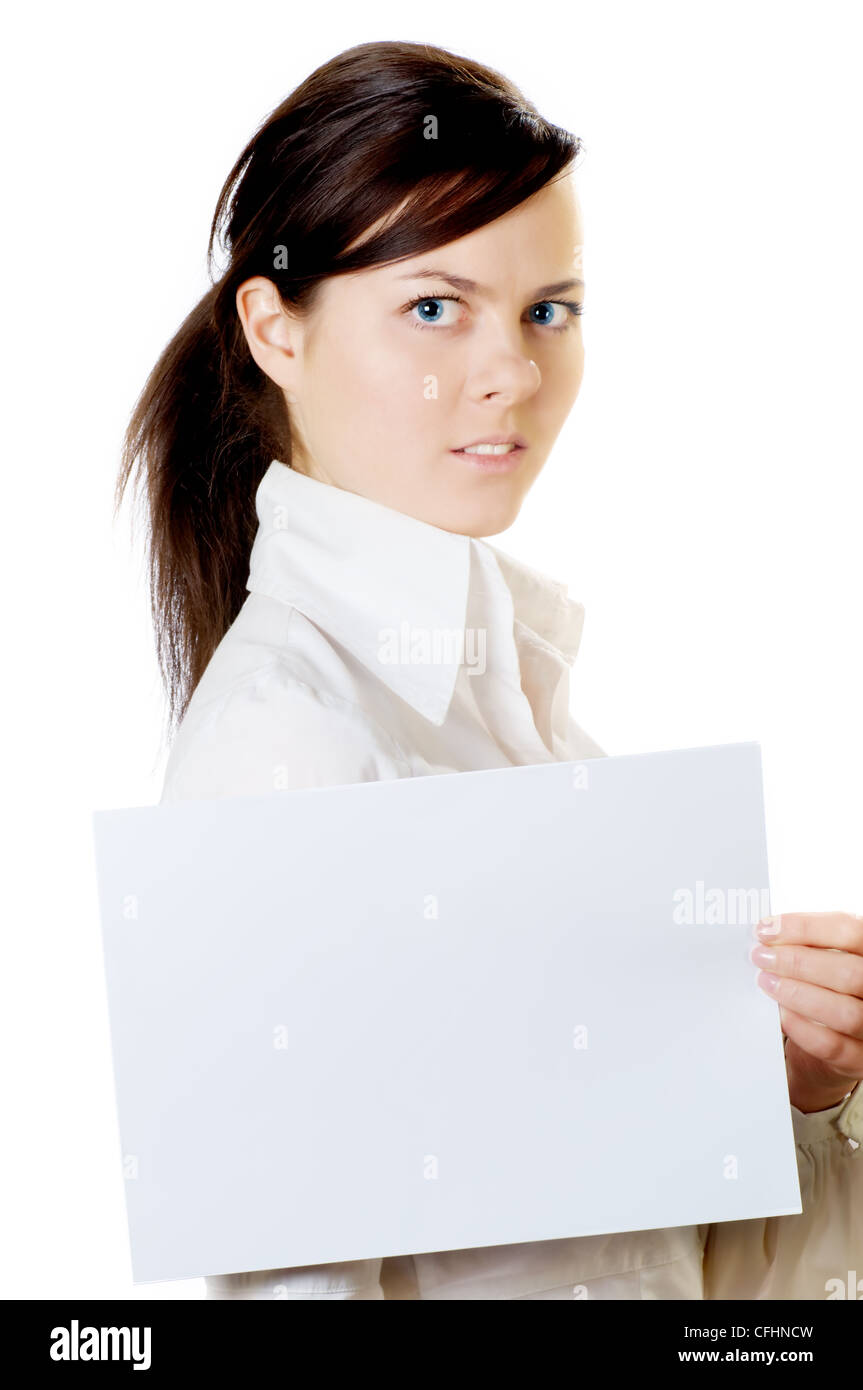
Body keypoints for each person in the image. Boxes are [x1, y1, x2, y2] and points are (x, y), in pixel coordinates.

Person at [116, 39, 863, 1300]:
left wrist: (791, 1097)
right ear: (272, 327)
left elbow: (685, 1292)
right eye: (431, 306)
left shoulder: (526, 720)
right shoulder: (284, 759)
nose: (511, 370)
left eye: (546, 310)